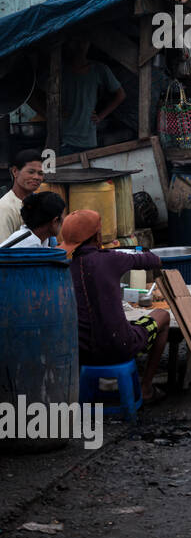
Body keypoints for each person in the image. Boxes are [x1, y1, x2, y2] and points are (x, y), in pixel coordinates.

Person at [62, 209, 170, 404]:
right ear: (97, 236)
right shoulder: (111, 259)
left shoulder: (64, 267)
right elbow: (154, 260)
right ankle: (146, 388)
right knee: (162, 315)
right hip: (121, 347)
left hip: (81, 352)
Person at [57, 38, 124, 154]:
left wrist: (100, 116)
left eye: (83, 41)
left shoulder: (99, 69)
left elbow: (121, 95)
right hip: (65, 140)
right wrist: (50, 113)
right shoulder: (60, 70)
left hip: (88, 140)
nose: (80, 46)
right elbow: (33, 92)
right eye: (75, 41)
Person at [1, 148, 44, 238]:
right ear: (15, 171)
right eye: (31, 172)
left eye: (40, 173)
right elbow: (3, 250)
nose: (36, 177)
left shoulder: (40, 204)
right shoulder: (5, 208)